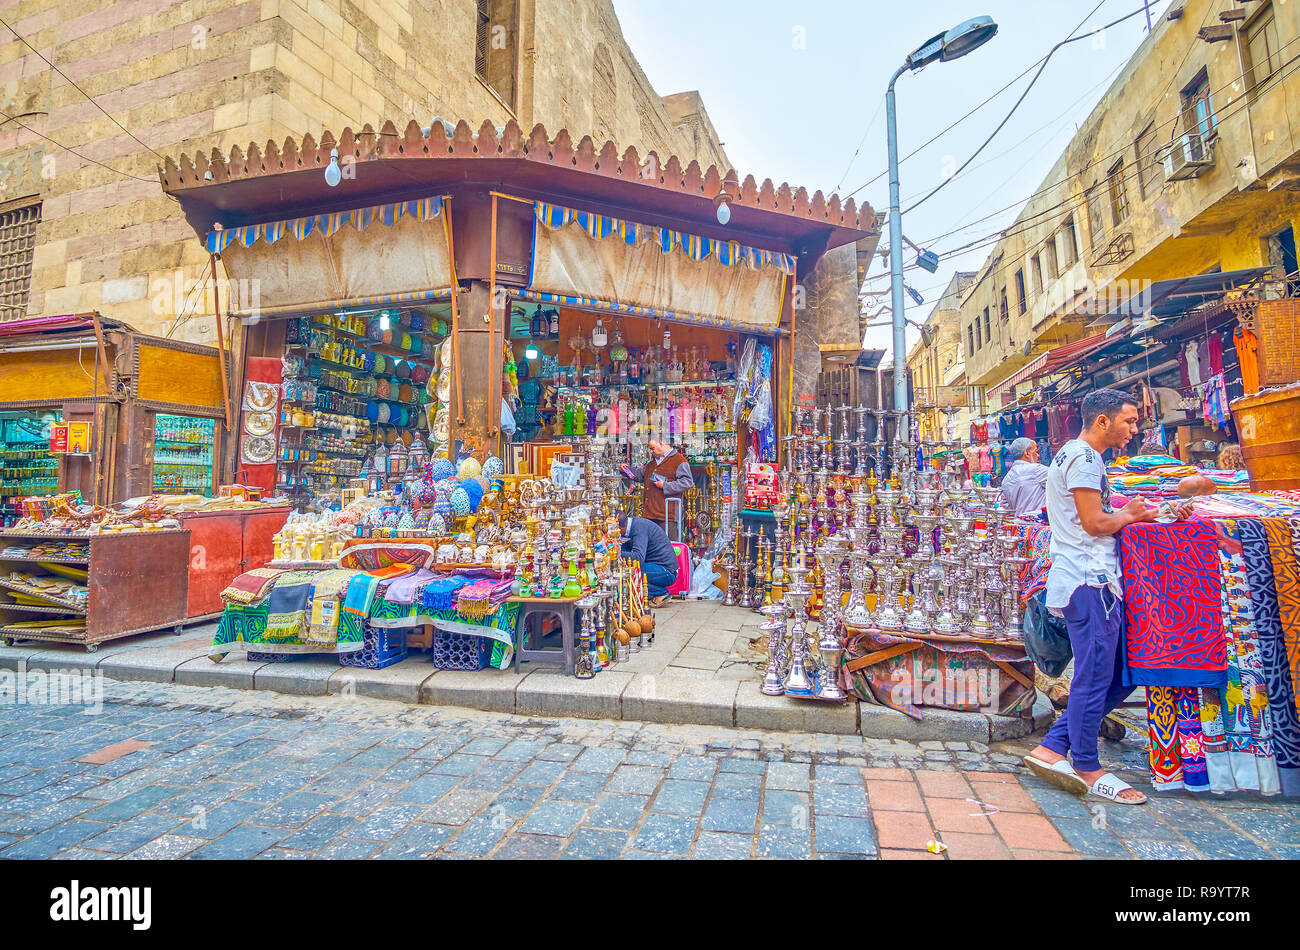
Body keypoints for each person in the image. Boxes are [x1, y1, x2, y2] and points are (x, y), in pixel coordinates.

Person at [1024, 388, 1191, 805]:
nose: (1135, 429)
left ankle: (1052, 747)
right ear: (1103, 421)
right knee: (1095, 675)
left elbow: (1100, 516)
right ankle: (1086, 764)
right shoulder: (1082, 457)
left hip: (1093, 580)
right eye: (1129, 421)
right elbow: (1096, 522)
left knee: (1114, 673)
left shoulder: (1075, 456)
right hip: (1088, 581)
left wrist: (1152, 513)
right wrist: (1130, 514)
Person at [622, 439, 693, 527]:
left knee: (668, 541)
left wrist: (665, 486)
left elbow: (687, 483)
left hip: (668, 517)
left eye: (652, 448)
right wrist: (625, 470)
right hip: (650, 515)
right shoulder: (652, 463)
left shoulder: (679, 461)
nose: (651, 452)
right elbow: (640, 475)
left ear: (661, 443)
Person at [618, 512, 678, 607]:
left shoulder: (639, 528)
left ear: (620, 528)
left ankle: (661, 592)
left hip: (666, 571)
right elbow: (627, 548)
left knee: (630, 572)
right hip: (656, 567)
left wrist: (616, 553)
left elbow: (638, 557)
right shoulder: (632, 527)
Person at [999, 437, 1049, 518]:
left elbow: (1006, 505)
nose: (1038, 455)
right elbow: (1060, 482)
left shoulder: (1006, 479)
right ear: (1026, 453)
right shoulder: (1037, 470)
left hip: (1019, 525)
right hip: (1038, 524)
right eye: (1036, 451)